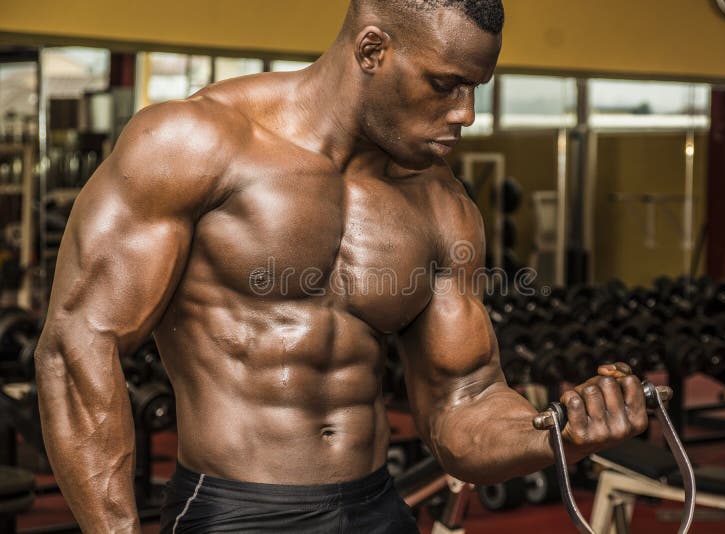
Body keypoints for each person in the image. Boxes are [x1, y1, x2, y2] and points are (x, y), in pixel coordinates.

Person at [34, 1, 648, 532]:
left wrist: (557, 429)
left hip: (377, 506)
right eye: (445, 85)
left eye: (475, 89)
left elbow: (462, 405)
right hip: (239, 511)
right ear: (372, 49)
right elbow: (78, 344)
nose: (465, 113)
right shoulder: (194, 143)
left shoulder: (442, 204)